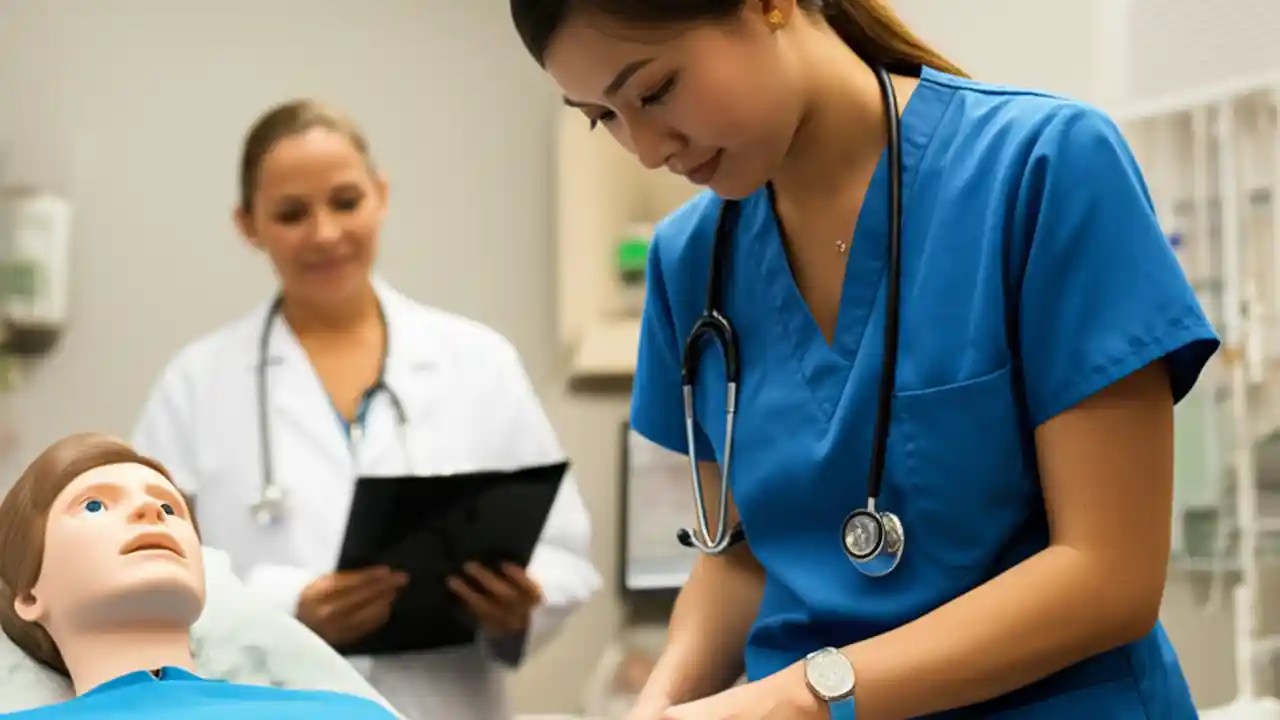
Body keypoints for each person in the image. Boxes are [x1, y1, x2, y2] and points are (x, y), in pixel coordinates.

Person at [509, 1, 1218, 719]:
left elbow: (1108, 576)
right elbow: (740, 555)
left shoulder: (1042, 167)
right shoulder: (692, 261)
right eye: (603, 116)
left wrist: (803, 699)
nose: (647, 147)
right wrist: (660, 702)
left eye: (655, 91)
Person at [130, 99, 601, 720]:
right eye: (292, 213)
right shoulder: (195, 384)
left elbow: (566, 551)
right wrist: (291, 604)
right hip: (266, 702)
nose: (325, 233)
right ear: (249, 225)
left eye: (346, 202)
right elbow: (144, 576)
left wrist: (522, 605)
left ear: (380, 195)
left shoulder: (479, 363)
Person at [0, 432, 400, 719]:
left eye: (170, 508)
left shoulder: (348, 713)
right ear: (29, 597)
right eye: (94, 506)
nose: (150, 512)